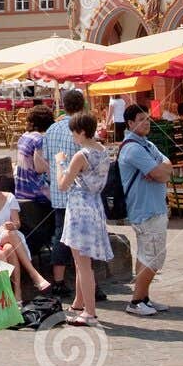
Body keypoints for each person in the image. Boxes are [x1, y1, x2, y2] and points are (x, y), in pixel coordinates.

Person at [53, 110, 110, 327]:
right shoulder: (103, 151)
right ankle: (79, 303)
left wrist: (59, 163)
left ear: (82, 132)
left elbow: (62, 184)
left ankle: (90, 312)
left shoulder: (81, 155)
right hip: (95, 206)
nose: (72, 137)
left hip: (79, 209)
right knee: (82, 262)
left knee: (83, 264)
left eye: (74, 133)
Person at [118, 105, 172, 316]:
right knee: (154, 255)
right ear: (130, 123)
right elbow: (159, 172)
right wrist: (159, 171)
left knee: (146, 254)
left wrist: (161, 171)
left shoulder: (147, 144)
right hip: (145, 209)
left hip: (154, 207)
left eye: (148, 118)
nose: (147, 122)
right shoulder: (133, 148)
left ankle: (144, 297)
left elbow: (167, 165)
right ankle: (136, 300)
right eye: (141, 119)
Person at [43, 90, 83, 300]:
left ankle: (58, 281)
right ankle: (86, 281)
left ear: (63, 106)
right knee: (82, 239)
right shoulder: (81, 129)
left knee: (60, 235)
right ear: (81, 106)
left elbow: (44, 159)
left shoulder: (52, 129)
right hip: (78, 193)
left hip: (57, 193)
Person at [0, 176, 51, 299]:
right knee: (11, 235)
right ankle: (34, 274)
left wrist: (12, 225)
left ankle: (17, 294)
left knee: (9, 248)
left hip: (10, 236)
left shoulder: (9, 197)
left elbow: (17, 223)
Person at [14, 106, 56, 271]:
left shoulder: (24, 137)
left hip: (21, 189)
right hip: (35, 191)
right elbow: (39, 168)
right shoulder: (40, 140)